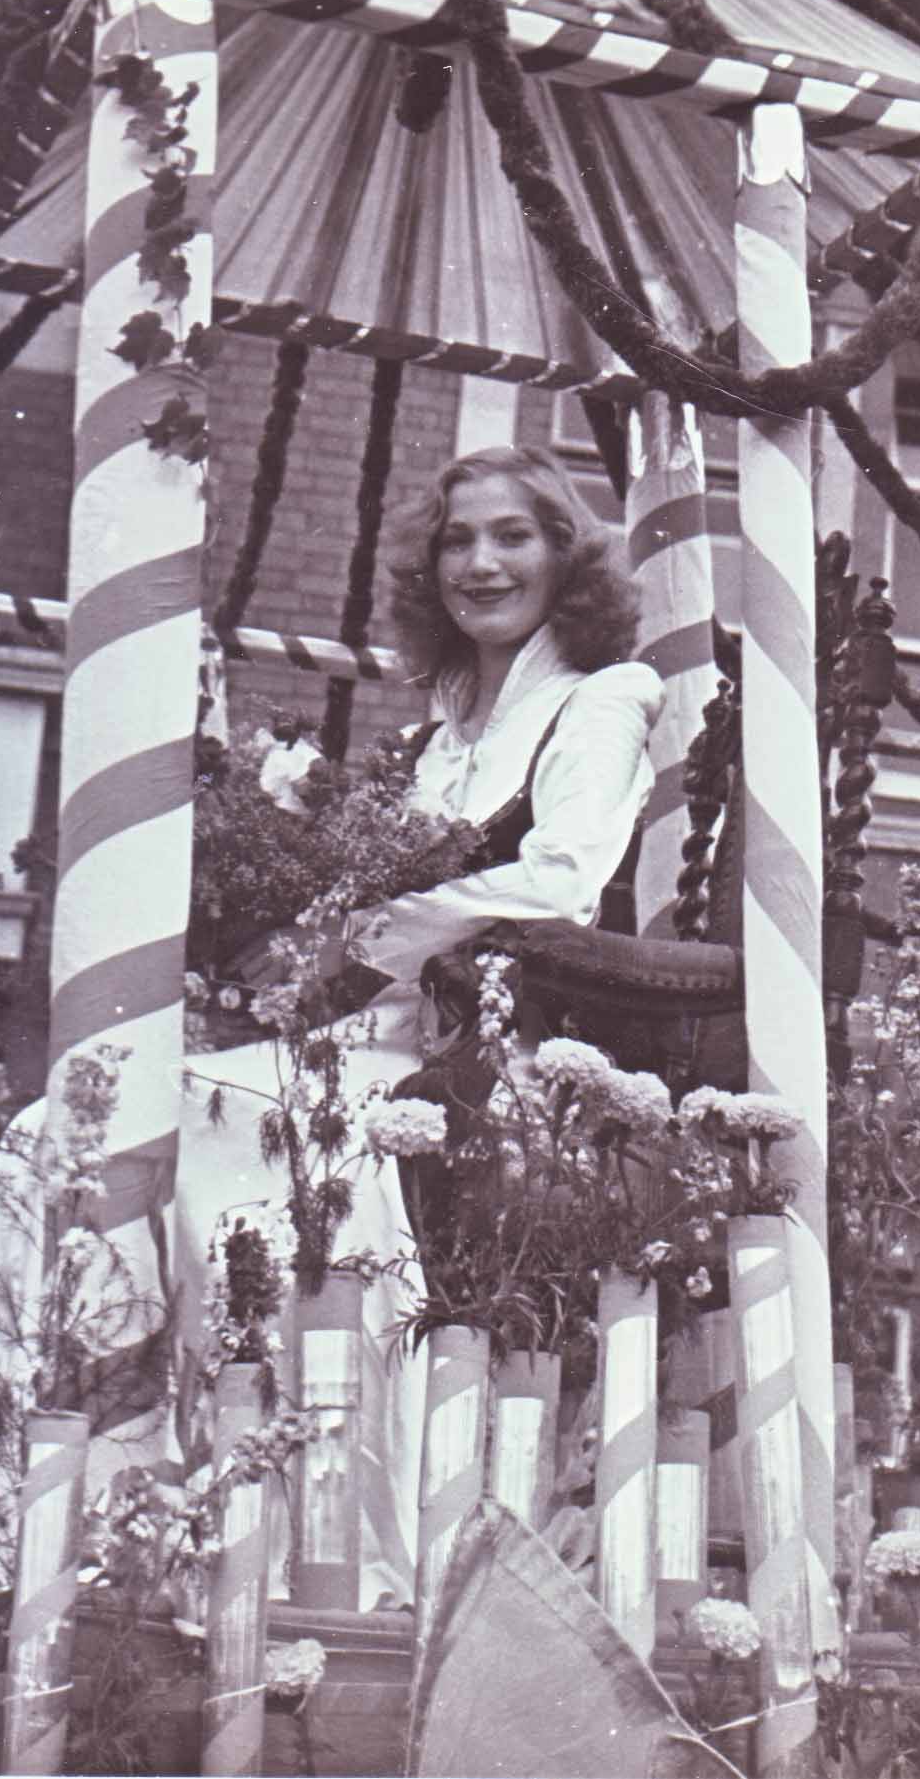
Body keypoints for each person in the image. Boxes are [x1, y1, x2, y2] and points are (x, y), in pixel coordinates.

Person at [171, 446, 664, 1610]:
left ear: (567, 555)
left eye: (513, 535)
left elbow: (562, 884)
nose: (480, 562)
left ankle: (341, 1543)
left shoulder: (603, 700)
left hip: (493, 1046)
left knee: (282, 1149)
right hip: (367, 1041)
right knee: (111, 1114)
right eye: (457, 538)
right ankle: (165, 1510)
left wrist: (371, 930)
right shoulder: (436, 735)